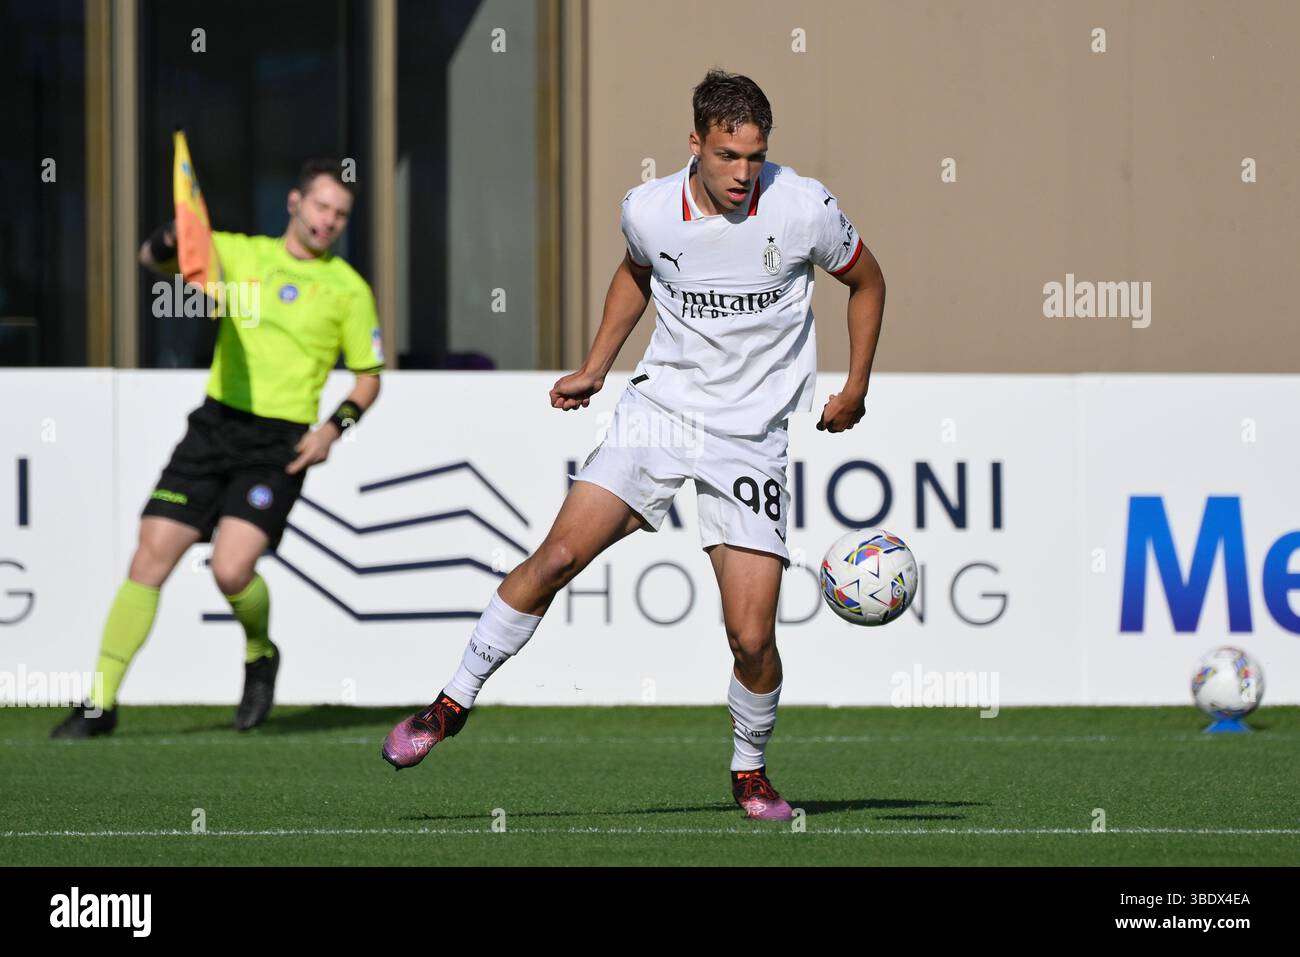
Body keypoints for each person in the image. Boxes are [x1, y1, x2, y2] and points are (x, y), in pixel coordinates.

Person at [382, 69, 885, 820]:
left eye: (755, 156)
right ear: (695, 144)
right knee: (557, 556)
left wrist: (855, 387)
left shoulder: (803, 207)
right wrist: (596, 366)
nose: (744, 174)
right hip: (661, 413)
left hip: (751, 437)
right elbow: (636, 273)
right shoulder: (648, 209)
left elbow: (869, 281)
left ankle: (749, 770)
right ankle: (449, 703)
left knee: (751, 636)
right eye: (727, 156)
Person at [51, 159, 384, 738]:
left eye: (340, 214)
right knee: (148, 557)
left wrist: (333, 429)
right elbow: (151, 262)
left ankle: (259, 653)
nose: (329, 221)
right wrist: (169, 238)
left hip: (279, 443)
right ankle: (98, 704)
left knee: (231, 571)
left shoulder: (349, 289)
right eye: (321, 207)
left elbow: (368, 376)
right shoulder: (241, 252)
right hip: (214, 427)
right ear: (294, 202)